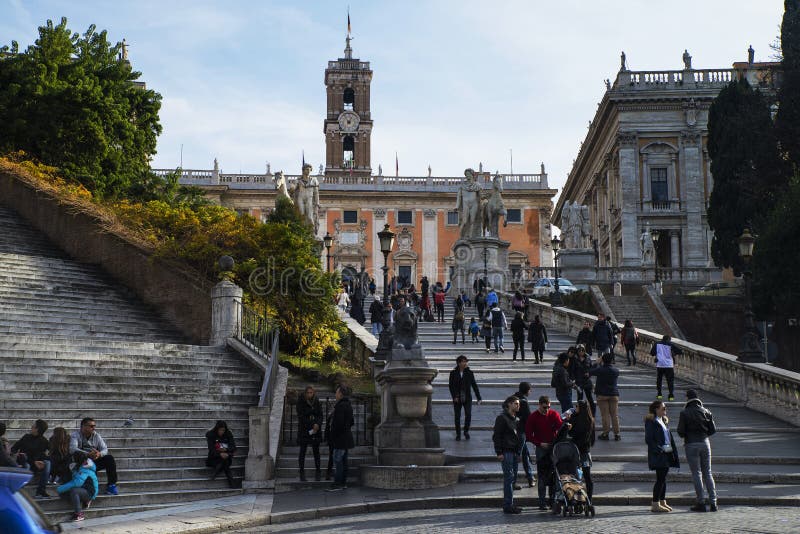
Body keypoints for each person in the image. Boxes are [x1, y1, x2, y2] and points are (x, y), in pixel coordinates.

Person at [677, 389, 718, 512]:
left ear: (687, 398)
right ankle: (713, 502)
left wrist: (688, 435)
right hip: (705, 442)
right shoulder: (706, 411)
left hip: (691, 443)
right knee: (708, 472)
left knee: (697, 473)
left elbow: (680, 431)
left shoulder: (684, 413)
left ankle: (701, 502)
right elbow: (713, 430)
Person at [526, 396, 563, 510]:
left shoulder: (554, 414)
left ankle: (552, 500)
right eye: (544, 407)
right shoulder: (533, 417)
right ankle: (542, 502)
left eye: (548, 407)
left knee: (554, 474)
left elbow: (560, 427)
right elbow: (528, 435)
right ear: (539, 405)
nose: (546, 409)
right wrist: (539, 443)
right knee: (542, 476)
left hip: (553, 447)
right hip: (541, 448)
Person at [645, 400, 680, 513]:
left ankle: (662, 501)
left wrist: (670, 451)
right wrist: (660, 450)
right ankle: (655, 503)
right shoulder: (651, 421)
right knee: (660, 479)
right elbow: (649, 439)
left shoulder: (663, 420)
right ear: (656, 409)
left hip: (667, 452)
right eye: (663, 408)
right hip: (659, 454)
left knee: (663, 479)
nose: (665, 410)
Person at [71, 417, 118, 496]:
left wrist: (99, 454)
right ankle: (91, 487)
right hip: (81, 462)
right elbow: (72, 449)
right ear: (83, 426)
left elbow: (105, 449)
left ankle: (111, 485)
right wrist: (87, 454)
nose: (94, 428)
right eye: (91, 426)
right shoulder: (75, 435)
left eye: (94, 426)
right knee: (80, 455)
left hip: (94, 460)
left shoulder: (96, 435)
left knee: (109, 458)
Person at [493, 396, 523, 514]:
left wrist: (518, 452)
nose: (518, 406)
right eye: (516, 403)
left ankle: (510, 503)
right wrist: (499, 452)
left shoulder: (516, 419)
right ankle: (508, 505)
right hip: (506, 452)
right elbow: (497, 436)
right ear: (509, 404)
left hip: (514, 452)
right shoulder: (502, 418)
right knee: (509, 478)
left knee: (512, 479)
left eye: (518, 404)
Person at [12, 419, 52, 499]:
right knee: (27, 466)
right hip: (25, 462)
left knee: (47, 463)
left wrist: (41, 461)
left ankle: (40, 491)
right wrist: (17, 454)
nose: (31, 427)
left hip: (35, 465)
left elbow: (49, 455)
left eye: (33, 426)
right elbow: (14, 448)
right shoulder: (26, 437)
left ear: (37, 429)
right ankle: (19, 493)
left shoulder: (44, 441)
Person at [566, 399, 595, 500]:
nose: (575, 408)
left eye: (577, 406)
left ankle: (583, 498)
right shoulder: (586, 419)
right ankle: (585, 498)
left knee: (581, 475)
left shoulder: (582, 420)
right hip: (582, 451)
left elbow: (573, 434)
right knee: (583, 476)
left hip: (579, 451)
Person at [327, 385, 355, 491]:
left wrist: (333, 434)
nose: (335, 394)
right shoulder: (348, 405)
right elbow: (351, 422)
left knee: (338, 461)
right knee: (343, 461)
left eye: (337, 392)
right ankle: (343, 483)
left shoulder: (340, 406)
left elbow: (338, 424)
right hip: (345, 437)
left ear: (341, 394)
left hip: (340, 439)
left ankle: (338, 483)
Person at [57, 453, 99, 522]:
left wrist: (59, 489)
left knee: (74, 491)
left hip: (90, 492)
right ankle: (84, 502)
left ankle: (79, 514)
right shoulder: (80, 467)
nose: (85, 461)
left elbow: (76, 483)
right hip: (83, 489)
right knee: (63, 495)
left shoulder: (85, 470)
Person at [448, 355, 482, 441]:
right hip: (457, 397)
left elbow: (474, 385)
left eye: (466, 361)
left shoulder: (469, 373)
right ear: (459, 363)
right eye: (463, 361)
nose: (465, 363)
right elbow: (451, 386)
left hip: (467, 397)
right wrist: (454, 396)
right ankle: (458, 434)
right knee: (457, 416)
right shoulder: (453, 373)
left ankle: (466, 431)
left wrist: (479, 397)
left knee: (468, 414)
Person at [590, 353, 621, 441]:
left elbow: (590, 371)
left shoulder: (600, 370)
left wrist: (596, 363)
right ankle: (617, 434)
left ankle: (605, 433)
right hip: (614, 394)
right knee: (614, 415)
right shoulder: (616, 371)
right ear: (611, 360)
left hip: (602, 395)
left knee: (605, 415)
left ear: (603, 360)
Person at [297, 386, 323, 482]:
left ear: (314, 393)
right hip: (304, 430)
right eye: (308, 392)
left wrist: (317, 424)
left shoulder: (316, 401)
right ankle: (301, 471)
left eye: (311, 392)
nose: (309, 394)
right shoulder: (301, 401)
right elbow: (301, 416)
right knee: (302, 451)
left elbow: (320, 415)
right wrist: (312, 424)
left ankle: (318, 471)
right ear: (305, 393)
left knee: (316, 451)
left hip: (315, 430)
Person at [513, 382, 535, 489]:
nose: (530, 392)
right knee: (518, 456)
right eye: (530, 390)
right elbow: (529, 419)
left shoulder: (512, 398)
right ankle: (513, 481)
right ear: (527, 390)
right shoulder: (524, 402)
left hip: (514, 431)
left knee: (525, 454)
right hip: (521, 432)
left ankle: (530, 477)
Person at [651, 335, 683, 401]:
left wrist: (658, 353)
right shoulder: (670, 344)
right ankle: (671, 395)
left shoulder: (657, 343)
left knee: (659, 380)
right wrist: (674, 353)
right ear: (669, 339)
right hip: (669, 365)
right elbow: (681, 352)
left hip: (660, 364)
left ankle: (659, 394)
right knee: (670, 381)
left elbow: (652, 353)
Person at [205, 420, 236, 488]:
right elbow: (211, 449)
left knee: (225, 461)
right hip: (214, 458)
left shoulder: (228, 434)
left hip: (227, 456)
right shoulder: (211, 434)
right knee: (224, 462)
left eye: (223, 430)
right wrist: (220, 454)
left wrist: (226, 450)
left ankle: (218, 470)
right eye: (220, 430)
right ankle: (232, 483)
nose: (222, 432)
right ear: (217, 429)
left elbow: (233, 446)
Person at [573, 345, 596, 417]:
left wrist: (589, 374)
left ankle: (593, 414)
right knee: (579, 398)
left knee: (590, 398)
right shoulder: (575, 359)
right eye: (579, 350)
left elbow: (591, 368)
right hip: (579, 381)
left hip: (587, 381)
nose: (581, 352)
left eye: (582, 350)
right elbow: (573, 370)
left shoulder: (588, 357)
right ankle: (579, 414)